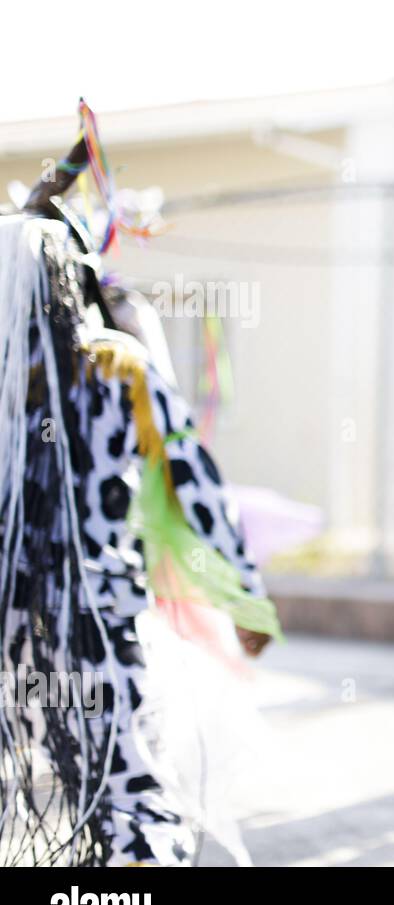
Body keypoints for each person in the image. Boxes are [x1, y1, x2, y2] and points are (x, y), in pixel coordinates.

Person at [0, 213, 277, 865]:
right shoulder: (117, 364)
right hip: (94, 615)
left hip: (27, 611)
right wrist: (245, 596)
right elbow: (195, 484)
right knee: (128, 788)